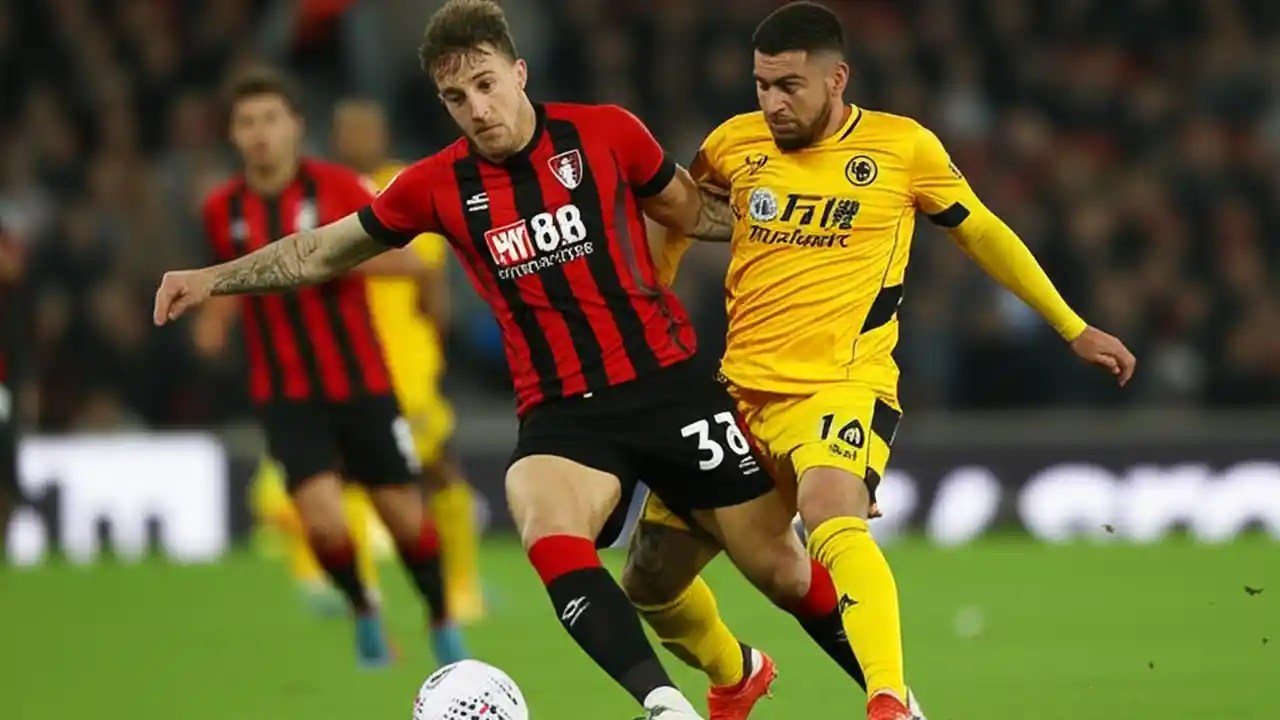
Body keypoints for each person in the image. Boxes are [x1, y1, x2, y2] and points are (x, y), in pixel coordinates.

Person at [154, 2, 848, 718]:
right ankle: (663, 704)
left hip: (668, 387)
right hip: (562, 415)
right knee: (543, 520)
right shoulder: (435, 184)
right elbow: (321, 251)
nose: (477, 109)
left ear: (519, 72)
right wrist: (211, 278)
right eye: (457, 97)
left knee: (781, 571)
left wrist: (821, 217)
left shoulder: (604, 132)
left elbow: (696, 214)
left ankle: (894, 696)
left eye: (487, 84)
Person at [648, 3, 1138, 720]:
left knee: (829, 513)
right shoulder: (732, 143)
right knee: (650, 580)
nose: (772, 102)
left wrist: (1071, 326)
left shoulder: (902, 148)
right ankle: (736, 673)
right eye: (761, 85)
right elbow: (678, 214)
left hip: (840, 387)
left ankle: (888, 703)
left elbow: (984, 234)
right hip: (738, 394)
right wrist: (654, 311)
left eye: (789, 85)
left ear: (836, 77)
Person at [187, 67, 468, 668]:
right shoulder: (222, 209)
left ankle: (441, 619)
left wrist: (406, 282)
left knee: (407, 521)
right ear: (233, 136)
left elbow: (402, 256)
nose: (259, 134)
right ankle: (364, 607)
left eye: (270, 119)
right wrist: (216, 320)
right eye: (246, 122)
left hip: (364, 386)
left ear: (296, 127)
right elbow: (228, 279)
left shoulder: (340, 187)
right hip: (286, 394)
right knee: (324, 529)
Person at [331, 98, 485, 623]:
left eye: (366, 128)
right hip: (350, 363)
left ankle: (462, 587)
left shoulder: (405, 185)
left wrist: (433, 339)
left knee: (438, 470)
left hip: (407, 365)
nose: (357, 139)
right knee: (348, 476)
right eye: (349, 130)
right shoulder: (328, 193)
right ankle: (364, 593)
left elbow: (429, 271)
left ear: (383, 132)